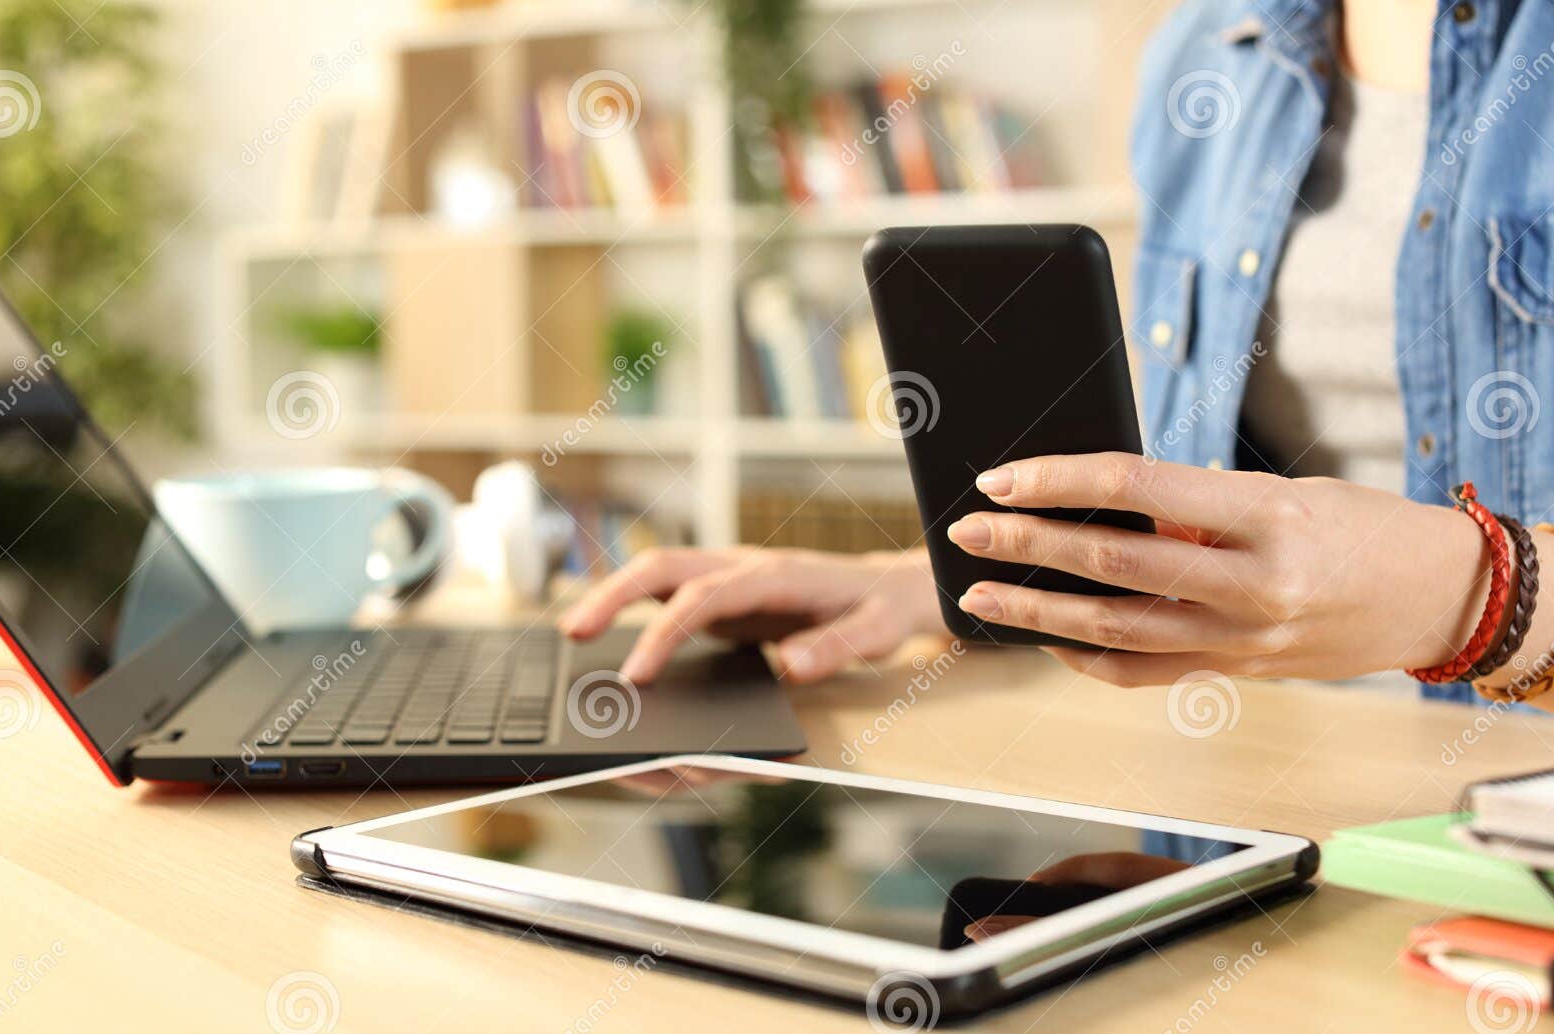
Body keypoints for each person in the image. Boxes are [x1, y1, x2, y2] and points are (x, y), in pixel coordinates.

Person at [562, 0, 1554, 710]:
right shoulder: (1211, 47)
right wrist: (940, 586)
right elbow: (1196, 495)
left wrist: (1468, 593)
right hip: (1251, 783)